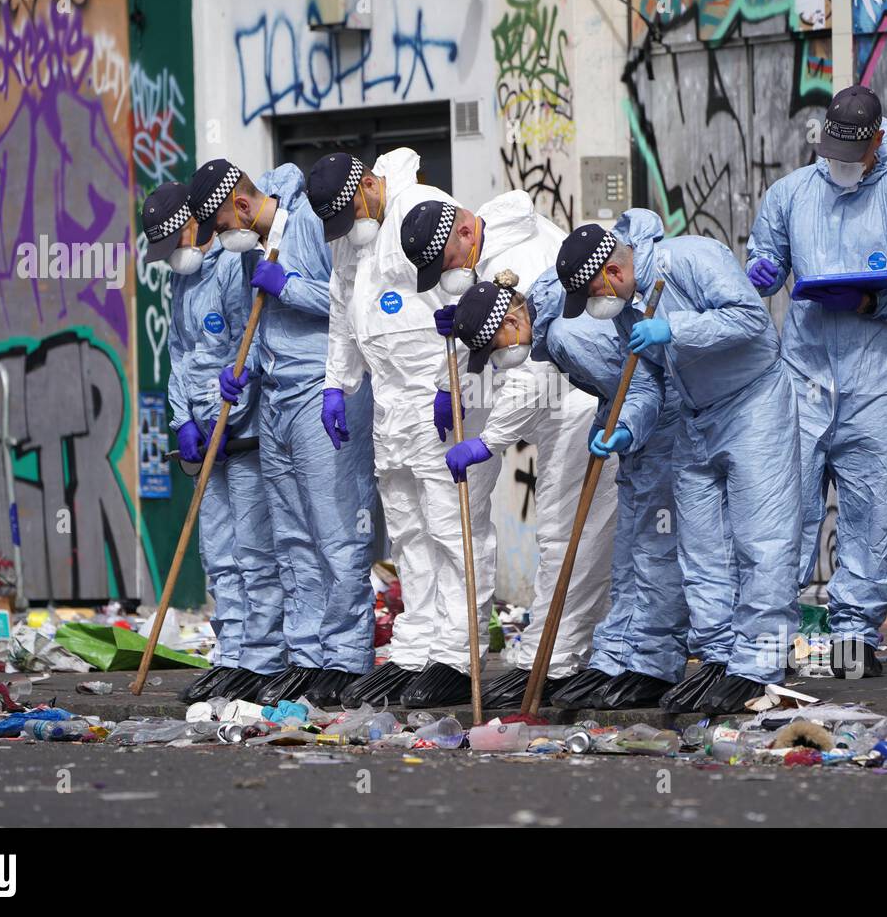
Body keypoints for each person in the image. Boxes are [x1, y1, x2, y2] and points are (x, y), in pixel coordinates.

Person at [557, 211, 802, 714]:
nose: (593, 307)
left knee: (763, 539)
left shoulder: (692, 257)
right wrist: (626, 428)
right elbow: (646, 381)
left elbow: (750, 319)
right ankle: (718, 656)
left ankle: (759, 665)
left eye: (591, 294)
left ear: (612, 272)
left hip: (753, 403)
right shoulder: (627, 308)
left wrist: (675, 327)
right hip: (694, 414)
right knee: (700, 548)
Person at [746, 86, 887, 679]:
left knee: (871, 510)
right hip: (802, 379)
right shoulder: (790, 195)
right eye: (831, 149)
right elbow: (767, 256)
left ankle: (854, 638)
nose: (838, 161)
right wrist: (762, 268)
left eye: (849, 152)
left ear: (877, 143)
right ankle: (769, 638)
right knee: (785, 511)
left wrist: (868, 301)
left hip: (873, 388)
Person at [399, 192, 618, 708]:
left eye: (448, 263)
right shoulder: (493, 266)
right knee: (566, 534)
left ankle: (556, 661)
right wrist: (448, 380)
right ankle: (556, 653)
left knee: (566, 533)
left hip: (576, 404)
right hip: (558, 404)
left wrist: (486, 440)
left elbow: (532, 373)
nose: (450, 274)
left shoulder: (521, 262)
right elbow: (501, 355)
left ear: (468, 234)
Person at [306, 150, 501, 708]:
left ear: (369, 183)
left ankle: (459, 655)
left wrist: (453, 380)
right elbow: (342, 313)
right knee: (409, 530)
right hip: (392, 403)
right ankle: (417, 647)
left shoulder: (425, 208)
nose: (349, 228)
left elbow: (471, 297)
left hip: (442, 396)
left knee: (453, 528)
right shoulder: (350, 236)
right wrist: (336, 384)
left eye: (351, 211)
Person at [449, 269, 688, 709]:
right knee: (614, 550)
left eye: (495, 349)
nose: (497, 361)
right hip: (606, 421)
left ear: (510, 323)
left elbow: (529, 388)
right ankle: (599, 653)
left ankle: (565, 659)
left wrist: (483, 444)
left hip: (605, 424)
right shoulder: (538, 314)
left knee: (584, 542)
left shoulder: (558, 338)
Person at [188, 159, 377, 707]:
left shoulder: (312, 226)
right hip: (275, 395)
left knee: (335, 531)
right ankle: (307, 652)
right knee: (291, 536)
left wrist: (290, 287)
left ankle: (346, 655)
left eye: (222, 227)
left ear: (242, 207)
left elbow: (350, 306)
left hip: (324, 392)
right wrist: (241, 372)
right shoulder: (252, 250)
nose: (222, 239)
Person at [139, 182, 285, 705]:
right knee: (218, 553)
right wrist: (185, 421)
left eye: (172, 241)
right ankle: (232, 653)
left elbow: (249, 344)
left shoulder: (231, 264)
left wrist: (235, 409)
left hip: (241, 433)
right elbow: (181, 355)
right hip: (207, 435)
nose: (169, 257)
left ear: (194, 223)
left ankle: (264, 657)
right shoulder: (181, 280)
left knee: (254, 549)